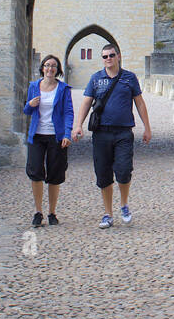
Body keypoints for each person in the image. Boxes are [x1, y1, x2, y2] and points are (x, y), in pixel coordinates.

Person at [71, 42, 150, 227]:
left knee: (124, 170)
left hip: (123, 132)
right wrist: (78, 125)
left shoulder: (129, 78)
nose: (108, 59)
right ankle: (108, 213)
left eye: (111, 55)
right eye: (105, 56)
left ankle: (124, 204)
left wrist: (147, 127)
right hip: (101, 133)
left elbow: (139, 103)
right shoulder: (96, 79)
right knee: (103, 174)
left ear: (119, 56)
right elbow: (86, 102)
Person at [22, 54, 73, 227]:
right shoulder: (34, 86)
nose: (50, 68)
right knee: (35, 172)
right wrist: (31, 104)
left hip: (56, 136)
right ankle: (38, 212)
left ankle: (52, 212)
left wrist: (67, 134)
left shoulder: (64, 89)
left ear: (58, 70)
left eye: (53, 66)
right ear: (42, 68)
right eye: (47, 65)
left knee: (55, 174)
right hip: (36, 135)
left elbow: (68, 112)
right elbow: (26, 110)